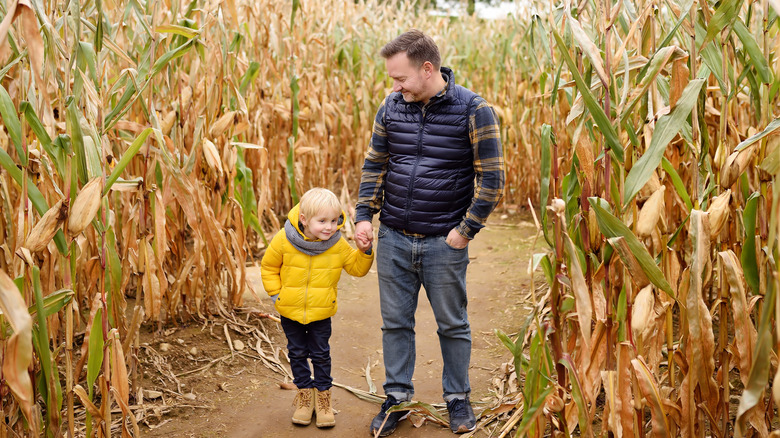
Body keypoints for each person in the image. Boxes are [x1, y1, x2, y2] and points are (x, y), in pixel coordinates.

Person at [354, 29, 505, 436]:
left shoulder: (474, 110)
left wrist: (465, 231)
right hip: (395, 238)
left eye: (400, 78)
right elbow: (375, 166)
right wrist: (363, 216)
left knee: (452, 324)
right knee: (395, 323)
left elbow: (492, 179)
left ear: (427, 69)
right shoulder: (392, 106)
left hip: (444, 241)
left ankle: (458, 399)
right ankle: (397, 399)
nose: (395, 87)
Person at [261, 187, 374, 428]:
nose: (329, 227)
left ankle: (323, 399)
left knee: (321, 355)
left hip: (321, 313)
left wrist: (364, 252)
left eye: (334, 221)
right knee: (297, 353)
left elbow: (356, 268)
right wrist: (276, 295)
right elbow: (268, 267)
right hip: (290, 312)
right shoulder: (284, 239)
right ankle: (304, 397)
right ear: (304, 219)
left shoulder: (337, 244)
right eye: (322, 221)